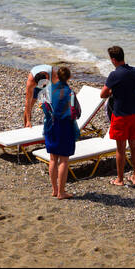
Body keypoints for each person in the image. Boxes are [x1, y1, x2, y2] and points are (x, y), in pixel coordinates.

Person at [100, 45, 135, 187]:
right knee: (134, 146)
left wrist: (113, 91)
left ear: (113, 60)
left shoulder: (114, 75)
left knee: (120, 148)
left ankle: (120, 179)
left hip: (121, 114)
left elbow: (103, 94)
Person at [41, 65, 81, 198]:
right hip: (65, 127)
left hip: (50, 126)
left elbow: (44, 107)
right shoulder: (70, 93)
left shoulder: (48, 90)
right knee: (63, 160)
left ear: (57, 76)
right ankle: (61, 192)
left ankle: (54, 189)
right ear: (69, 77)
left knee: (53, 159)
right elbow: (76, 113)